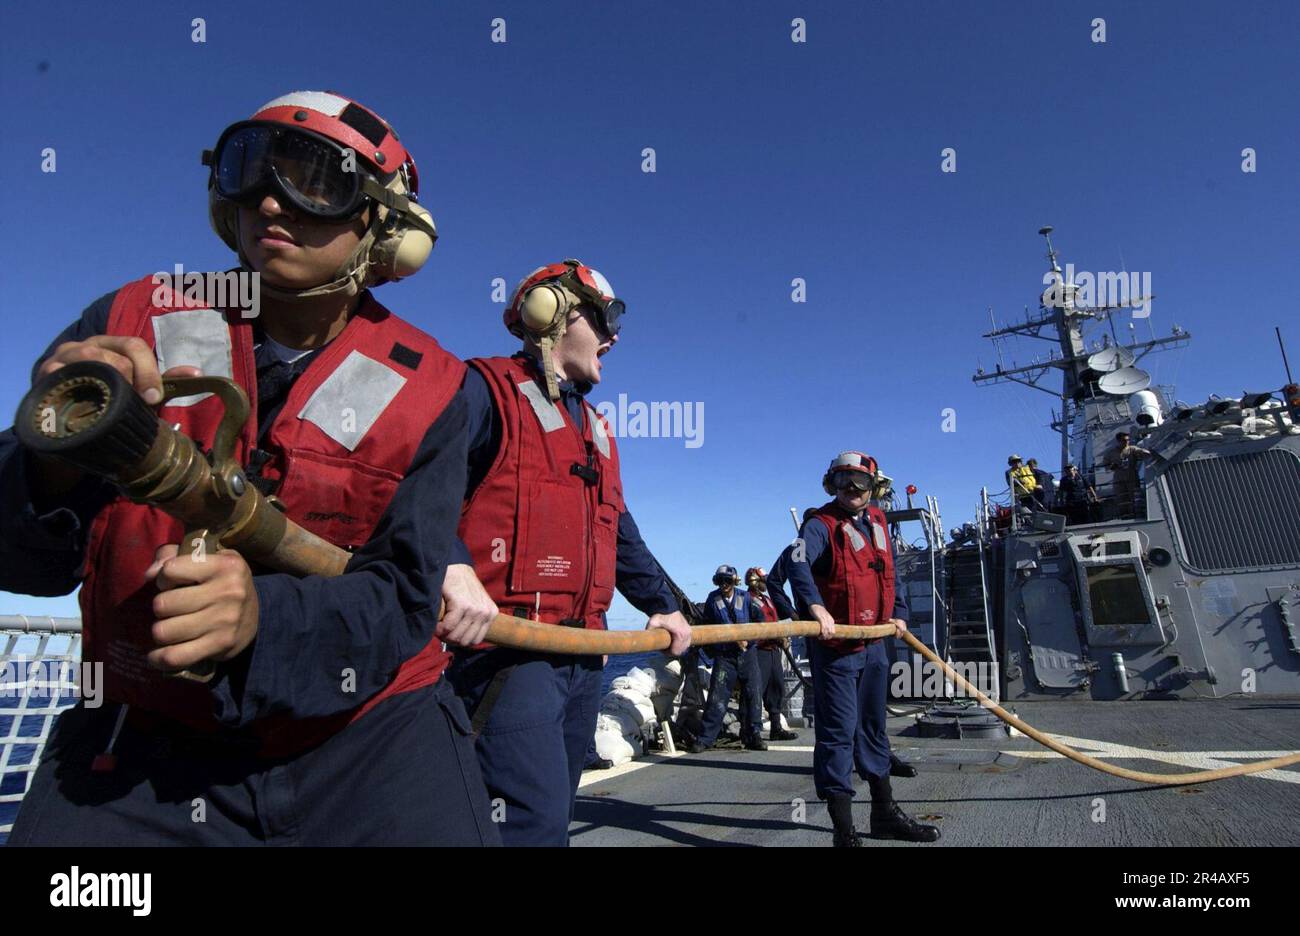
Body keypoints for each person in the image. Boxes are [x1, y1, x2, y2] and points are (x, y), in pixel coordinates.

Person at [0, 91, 499, 845]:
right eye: (250, 170)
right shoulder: (132, 320)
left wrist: (265, 624)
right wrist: (53, 462)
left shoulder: (435, 385)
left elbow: (404, 598)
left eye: (315, 180)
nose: (270, 199)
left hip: (372, 734)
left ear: (382, 227)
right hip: (145, 731)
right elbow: (25, 558)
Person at [449, 259, 692, 846]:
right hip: (510, 652)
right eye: (606, 318)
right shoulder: (483, 390)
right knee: (524, 821)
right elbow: (416, 490)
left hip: (585, 652)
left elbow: (621, 533)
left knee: (553, 813)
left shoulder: (597, 429)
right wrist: (450, 562)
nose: (614, 336)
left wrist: (664, 603)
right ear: (554, 312)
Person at [771, 452, 940, 846]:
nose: (851, 489)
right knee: (838, 735)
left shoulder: (878, 522)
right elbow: (796, 563)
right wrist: (814, 607)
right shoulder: (820, 525)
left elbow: (890, 572)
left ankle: (884, 815)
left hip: (875, 646)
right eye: (843, 480)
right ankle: (844, 832)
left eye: (859, 482)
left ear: (872, 487)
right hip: (837, 651)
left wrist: (898, 613)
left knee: (873, 730)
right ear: (832, 484)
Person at [686, 565, 767, 753]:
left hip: (748, 655)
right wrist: (712, 650)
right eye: (720, 580)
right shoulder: (712, 600)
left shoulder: (746, 598)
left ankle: (753, 734)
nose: (724, 584)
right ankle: (705, 739)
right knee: (717, 697)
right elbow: (707, 625)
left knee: (753, 695)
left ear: (734, 581)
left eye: (727, 581)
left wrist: (749, 640)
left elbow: (760, 621)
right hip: (725, 657)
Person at [745, 567, 800, 742]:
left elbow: (773, 621)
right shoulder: (748, 600)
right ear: (755, 581)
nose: (765, 584)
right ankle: (749, 732)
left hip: (773, 650)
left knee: (776, 689)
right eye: (762, 581)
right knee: (756, 691)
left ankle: (776, 728)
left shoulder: (766, 600)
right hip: (759, 651)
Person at [1103, 431, 1151, 518]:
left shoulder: (1132, 449)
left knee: (1135, 498)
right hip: (1119, 478)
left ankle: (1137, 515)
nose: (1127, 442)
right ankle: (1125, 517)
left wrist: (1145, 452)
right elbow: (1106, 465)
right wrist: (1112, 466)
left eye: (1128, 440)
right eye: (1124, 440)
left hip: (1132, 476)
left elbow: (1141, 452)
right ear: (1118, 441)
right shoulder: (1111, 453)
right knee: (1121, 499)